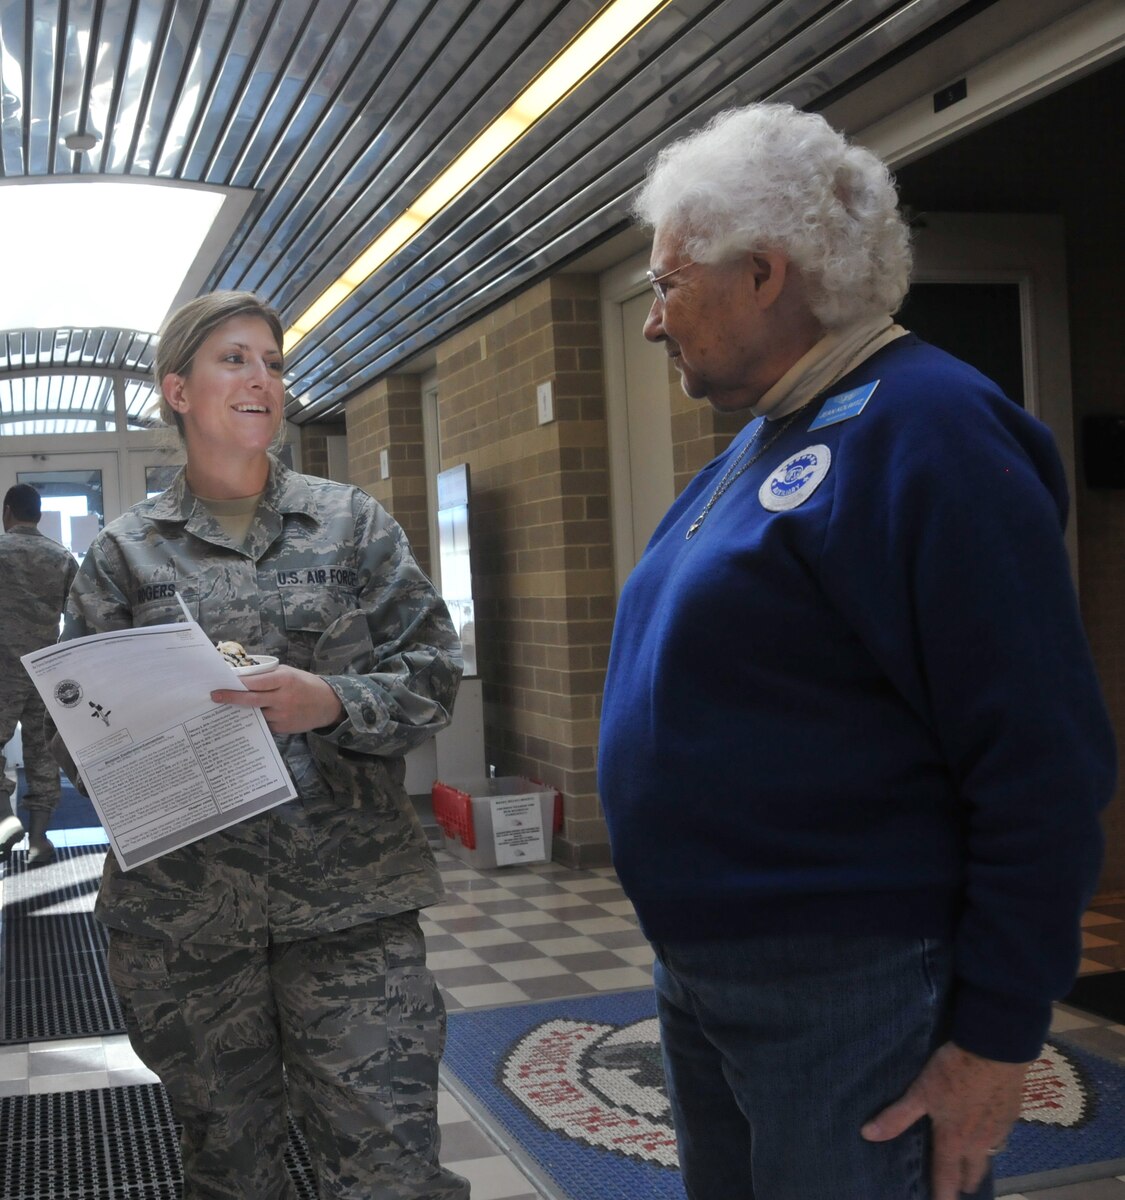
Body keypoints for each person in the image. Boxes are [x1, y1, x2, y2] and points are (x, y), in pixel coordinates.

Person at [597, 102, 1116, 1200]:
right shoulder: (765, 437)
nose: (655, 322)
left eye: (666, 284)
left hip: (851, 988)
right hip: (713, 973)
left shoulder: (933, 430)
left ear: (764, 274)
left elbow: (1043, 757)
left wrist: (996, 1037)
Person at [54, 291, 468, 1199]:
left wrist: (332, 701)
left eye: (274, 364)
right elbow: (73, 727)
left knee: (388, 1171)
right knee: (232, 1174)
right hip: (188, 923)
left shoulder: (350, 525)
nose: (262, 380)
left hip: (349, 908)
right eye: (234, 359)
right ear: (177, 390)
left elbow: (435, 673)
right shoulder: (125, 555)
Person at [0, 482, 78, 866]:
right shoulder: (61, 556)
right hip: (45, 669)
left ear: (8, 511)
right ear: (39, 516)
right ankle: (39, 839)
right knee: (42, 750)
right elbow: (79, 617)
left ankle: (4, 817)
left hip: (1, 667)